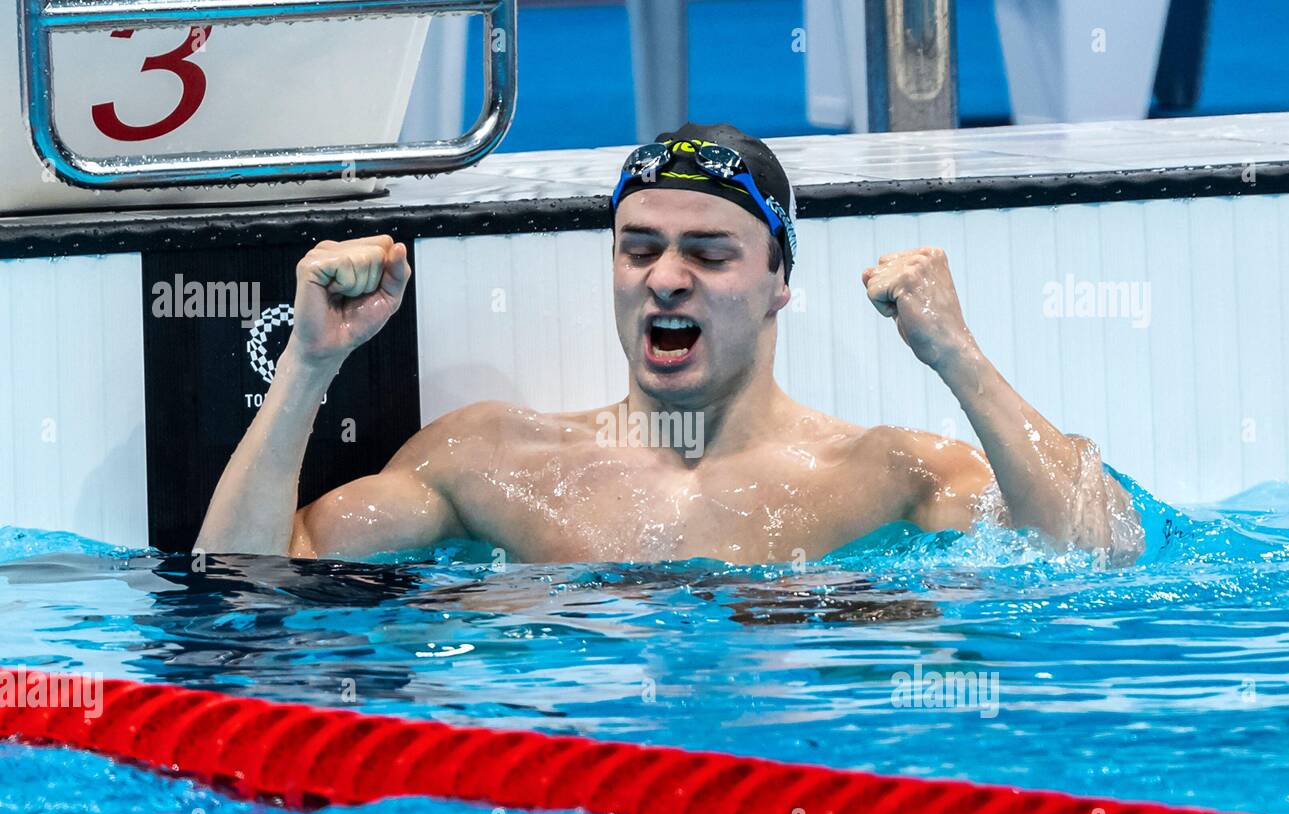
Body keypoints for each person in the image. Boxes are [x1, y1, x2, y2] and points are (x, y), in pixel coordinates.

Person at [196, 122, 1144, 565]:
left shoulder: (879, 474)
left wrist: (958, 357)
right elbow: (249, 583)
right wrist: (310, 365)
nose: (666, 277)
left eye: (709, 252)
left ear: (780, 283)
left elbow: (1099, 547)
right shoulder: (492, 460)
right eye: (639, 247)